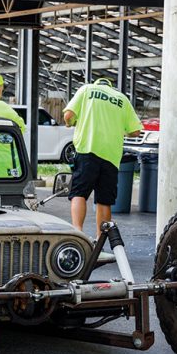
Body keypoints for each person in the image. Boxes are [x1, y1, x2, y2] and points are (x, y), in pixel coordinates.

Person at [63, 78, 142, 238]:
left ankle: (78, 233)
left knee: (79, 193)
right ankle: (100, 241)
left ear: (97, 84)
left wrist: (70, 122)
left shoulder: (87, 90)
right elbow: (136, 131)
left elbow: (69, 114)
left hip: (88, 150)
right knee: (104, 201)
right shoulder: (121, 98)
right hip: (111, 157)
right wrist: (119, 128)